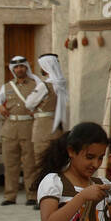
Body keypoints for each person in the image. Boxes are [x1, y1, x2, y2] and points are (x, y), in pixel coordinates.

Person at [0, 55, 45, 205]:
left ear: (26, 67)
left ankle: (31, 195)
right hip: (10, 128)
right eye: (16, 67)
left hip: (29, 127)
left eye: (22, 66)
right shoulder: (7, 86)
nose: (19, 69)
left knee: (30, 163)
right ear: (12, 69)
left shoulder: (36, 83)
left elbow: (44, 99)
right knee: (10, 164)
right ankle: (10, 196)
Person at [28, 54, 68, 195]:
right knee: (56, 162)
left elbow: (29, 103)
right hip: (58, 128)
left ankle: (43, 194)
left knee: (42, 162)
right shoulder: (61, 84)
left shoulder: (44, 86)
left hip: (43, 128)